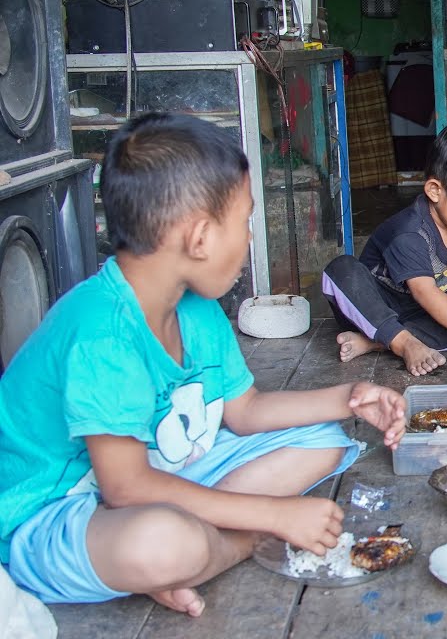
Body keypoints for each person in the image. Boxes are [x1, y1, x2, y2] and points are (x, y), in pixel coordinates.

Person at [0, 113, 407, 615]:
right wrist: (275, 517)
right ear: (198, 239)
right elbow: (124, 487)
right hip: (58, 512)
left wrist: (348, 399)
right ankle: (226, 546)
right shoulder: (102, 333)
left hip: (153, 475)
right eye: (243, 222)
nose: (250, 239)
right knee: (163, 543)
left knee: (323, 439)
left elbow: (245, 411)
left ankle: (194, 549)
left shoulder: (196, 308)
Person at [323, 120, 447, 375]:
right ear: (435, 190)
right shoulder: (409, 232)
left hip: (416, 315)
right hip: (372, 310)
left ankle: (373, 344)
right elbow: (425, 293)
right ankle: (403, 343)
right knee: (341, 268)